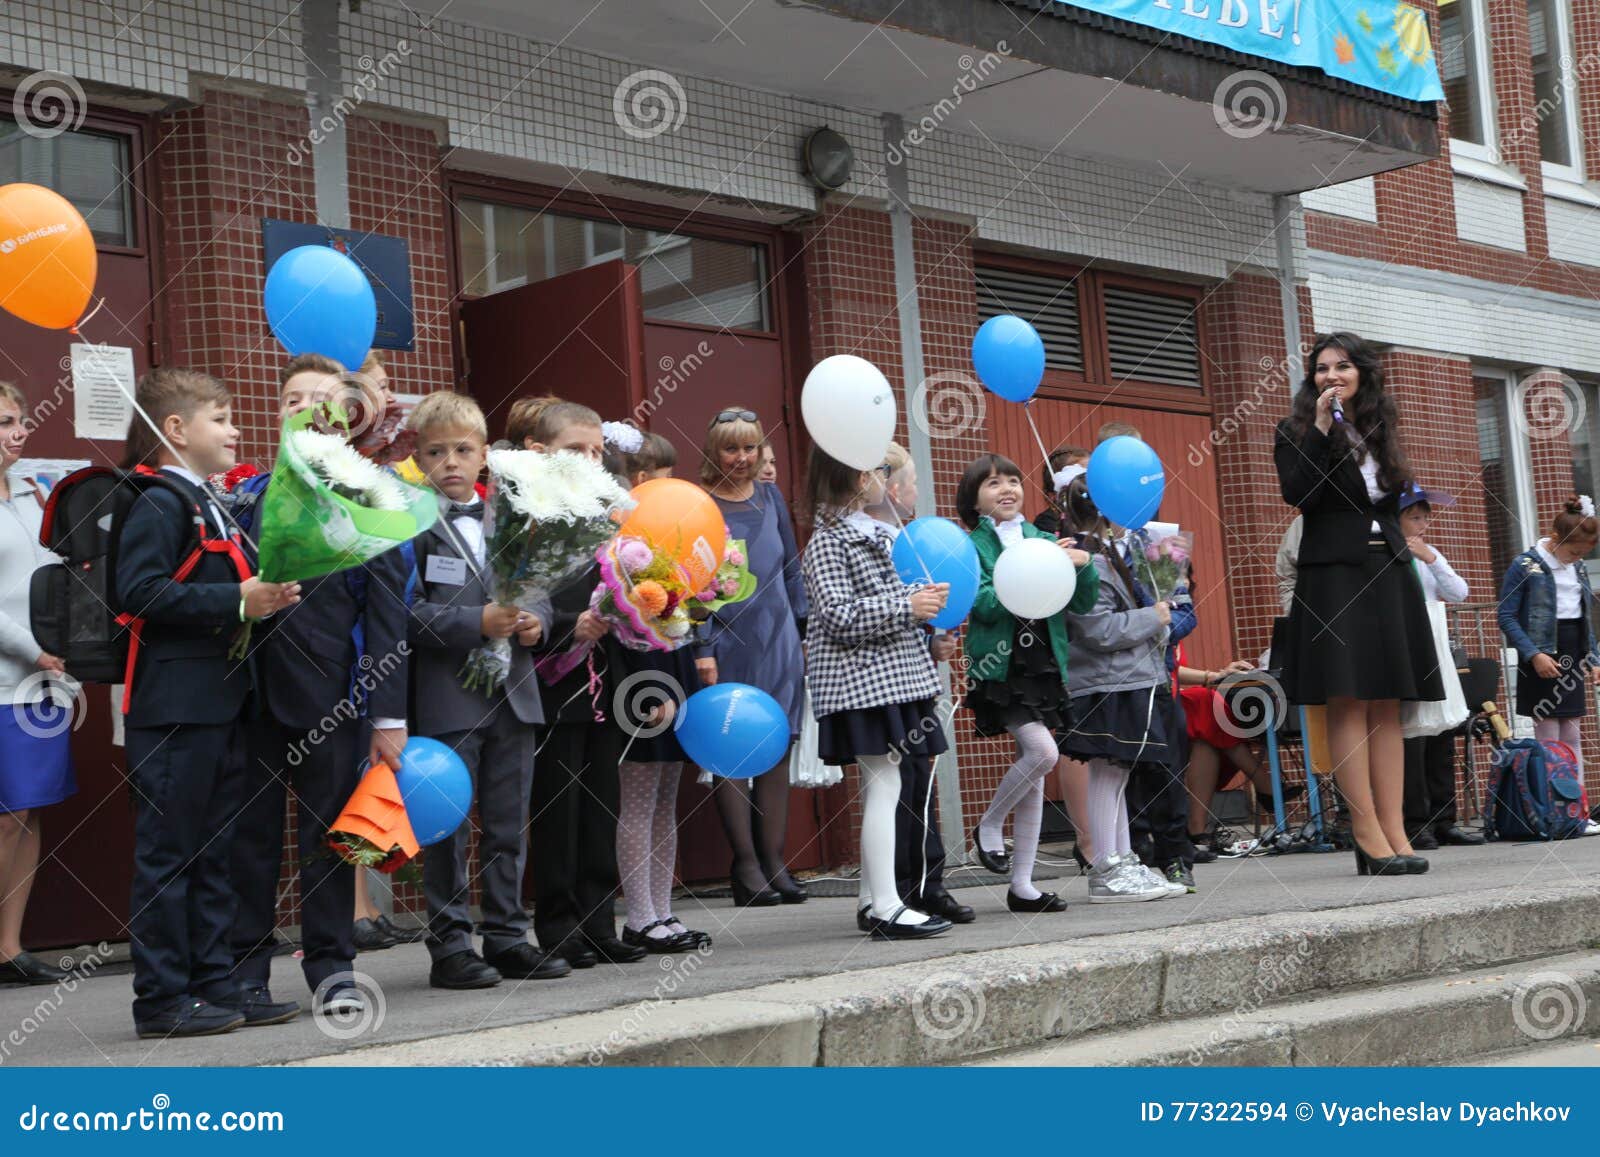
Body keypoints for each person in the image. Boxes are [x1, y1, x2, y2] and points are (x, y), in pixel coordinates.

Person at [115, 368, 301, 1036]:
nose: (235, 429)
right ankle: (162, 998)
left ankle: (217, 982)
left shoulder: (211, 500)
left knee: (214, 849)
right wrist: (235, 599)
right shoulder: (159, 500)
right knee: (171, 853)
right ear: (176, 430)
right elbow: (139, 591)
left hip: (221, 704)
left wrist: (264, 600)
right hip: (173, 709)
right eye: (219, 418)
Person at [231, 354, 413, 1016]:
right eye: (292, 400)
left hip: (335, 698)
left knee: (329, 839)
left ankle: (333, 967)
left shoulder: (374, 499)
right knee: (247, 842)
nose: (306, 409)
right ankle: (244, 971)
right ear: (276, 415)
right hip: (248, 697)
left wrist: (388, 714)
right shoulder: (243, 494)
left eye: (321, 401)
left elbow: (388, 612)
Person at [406, 392, 571, 988]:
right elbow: (402, 613)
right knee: (447, 826)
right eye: (436, 452)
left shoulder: (509, 516)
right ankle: (450, 944)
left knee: (508, 823)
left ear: (484, 456)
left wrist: (535, 620)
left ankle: (506, 934)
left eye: (462, 449)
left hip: (514, 693)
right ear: (419, 458)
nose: (450, 461)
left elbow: (541, 591)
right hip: (449, 697)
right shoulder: (410, 523)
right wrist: (470, 623)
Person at [1274, 331, 1441, 877]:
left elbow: (1393, 500)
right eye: (1321, 369)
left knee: (1388, 702)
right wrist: (1323, 430)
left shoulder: (1378, 430)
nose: (1331, 376)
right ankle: (1364, 829)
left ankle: (1395, 829)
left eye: (1342, 367)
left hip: (1387, 570)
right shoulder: (1296, 431)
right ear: (1313, 381)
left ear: (1362, 374)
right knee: (1347, 699)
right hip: (1333, 577)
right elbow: (1300, 494)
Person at [510, 396, 647, 967]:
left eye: (596, 451)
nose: (590, 461)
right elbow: (521, 600)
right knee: (557, 807)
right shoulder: (522, 518)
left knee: (601, 805)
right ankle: (558, 923)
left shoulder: (604, 514)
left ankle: (599, 920)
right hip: (551, 682)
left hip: (603, 679)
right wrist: (571, 627)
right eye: (575, 451)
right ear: (537, 454)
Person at [802, 446, 952, 939]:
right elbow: (838, 615)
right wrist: (908, 606)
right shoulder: (829, 540)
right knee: (884, 785)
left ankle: (875, 899)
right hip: (862, 683)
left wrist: (928, 625)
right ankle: (886, 905)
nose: (879, 478)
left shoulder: (878, 534)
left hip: (892, 680)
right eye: (873, 470)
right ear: (850, 477)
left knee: (882, 788)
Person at [960, 453, 1099, 914]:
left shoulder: (1045, 539)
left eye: (1013, 481)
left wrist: (1083, 562)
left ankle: (1023, 886)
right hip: (1004, 666)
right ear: (975, 500)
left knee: (1035, 773)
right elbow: (979, 603)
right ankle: (989, 823)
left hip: (1044, 662)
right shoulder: (973, 545)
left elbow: (1082, 600)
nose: (1006, 489)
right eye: (993, 483)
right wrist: (1016, 575)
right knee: (1043, 753)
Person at [1056, 473, 1186, 903]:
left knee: (1118, 771)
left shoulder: (1106, 553)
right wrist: (1155, 618)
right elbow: (1098, 630)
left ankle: (1123, 859)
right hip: (1105, 682)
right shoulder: (1086, 560)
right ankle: (1106, 869)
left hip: (1123, 678)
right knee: (1107, 773)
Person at [697, 408, 809, 905]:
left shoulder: (771, 496)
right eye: (731, 448)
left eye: (750, 448)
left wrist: (803, 631)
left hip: (779, 638)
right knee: (732, 749)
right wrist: (702, 645)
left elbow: (791, 567)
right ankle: (744, 866)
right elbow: (690, 585)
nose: (741, 458)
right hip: (726, 641)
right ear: (713, 451)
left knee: (776, 750)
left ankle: (774, 860)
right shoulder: (699, 505)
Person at [864, 442, 971, 924]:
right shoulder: (876, 542)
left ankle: (928, 881)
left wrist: (934, 645)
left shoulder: (908, 539)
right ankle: (900, 887)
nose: (915, 493)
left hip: (915, 675)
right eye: (912, 484)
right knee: (901, 783)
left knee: (918, 779)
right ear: (894, 487)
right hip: (886, 683)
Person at [614, 431, 710, 952]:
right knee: (639, 797)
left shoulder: (670, 538)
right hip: (640, 681)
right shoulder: (620, 548)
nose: (663, 483)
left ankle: (664, 911)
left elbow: (682, 615)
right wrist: (651, 692)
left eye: (669, 471)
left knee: (667, 797)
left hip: (676, 670)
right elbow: (625, 624)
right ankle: (639, 916)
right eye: (652, 473)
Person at [0, 383, 75, 987]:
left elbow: (59, 574)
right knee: (3, 813)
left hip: (43, 688)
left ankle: (9, 947)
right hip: (7, 677)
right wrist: (33, 650)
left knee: (28, 812)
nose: (18, 431)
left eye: (21, 420)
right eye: (4, 422)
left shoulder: (33, 494)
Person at [1397, 485, 1481, 850]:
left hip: (1436, 648)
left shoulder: (1429, 554)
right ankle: (1416, 822)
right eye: (1414, 518)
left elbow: (1459, 592)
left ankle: (1445, 817)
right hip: (1406, 648)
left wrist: (1431, 559)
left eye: (1425, 517)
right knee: (1412, 736)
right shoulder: (1386, 553)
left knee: (1443, 732)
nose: (1423, 524)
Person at [1498, 496, 1600, 773]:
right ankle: (1553, 807)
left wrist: (1594, 659)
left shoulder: (1576, 568)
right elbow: (1505, 616)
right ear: (1555, 539)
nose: (1577, 560)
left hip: (1572, 654)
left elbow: (1583, 617)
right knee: (1549, 736)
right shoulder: (1525, 566)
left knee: (1573, 734)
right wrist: (1534, 654)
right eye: (1573, 553)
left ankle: (1575, 809)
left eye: (1582, 555)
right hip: (1542, 656)